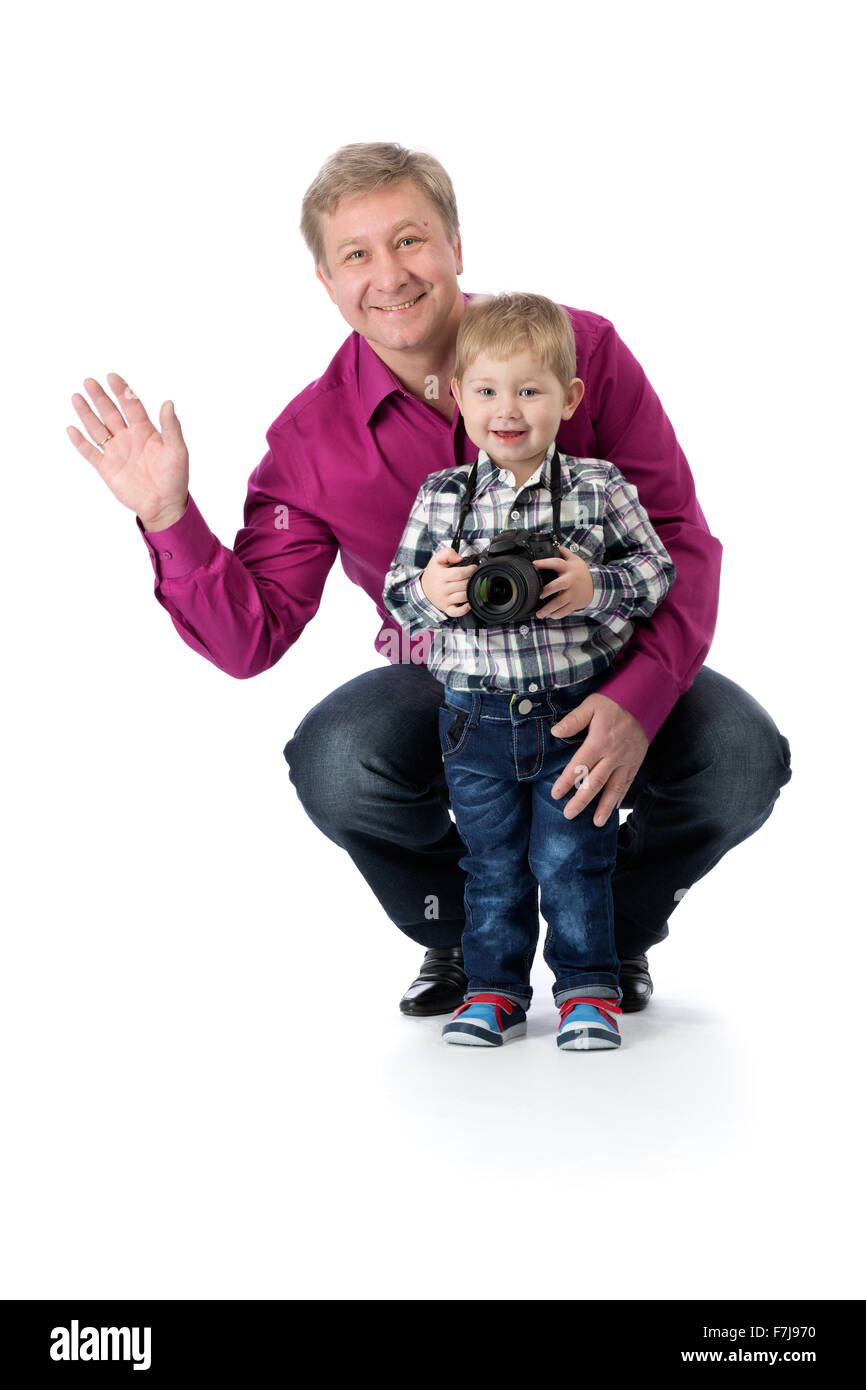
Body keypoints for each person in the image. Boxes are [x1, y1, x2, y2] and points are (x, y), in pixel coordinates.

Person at [65, 142, 792, 1019]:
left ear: (455, 246)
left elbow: (682, 543)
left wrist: (638, 700)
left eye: (410, 240)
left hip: (604, 660)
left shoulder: (581, 350)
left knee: (743, 757)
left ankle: (603, 934)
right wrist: (167, 515)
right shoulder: (311, 439)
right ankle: (466, 936)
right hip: (453, 686)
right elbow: (252, 639)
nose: (390, 275)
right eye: (356, 255)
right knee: (336, 757)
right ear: (327, 284)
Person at [383, 292, 677, 1048]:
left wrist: (592, 586)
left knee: (574, 856)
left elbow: (657, 572)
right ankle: (494, 992)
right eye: (485, 390)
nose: (505, 409)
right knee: (492, 865)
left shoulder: (600, 487)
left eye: (529, 389)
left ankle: (587, 991)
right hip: (471, 717)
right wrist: (433, 593)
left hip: (570, 712)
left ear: (569, 397)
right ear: (459, 397)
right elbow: (397, 596)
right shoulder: (441, 499)